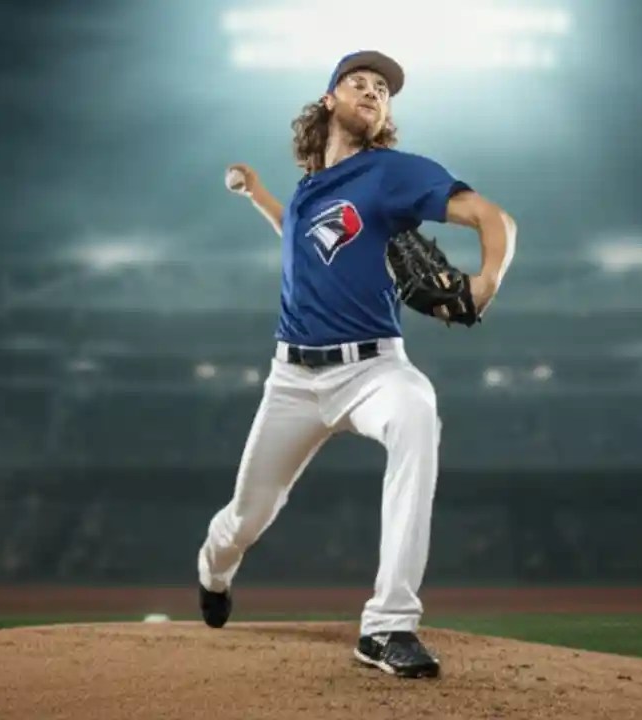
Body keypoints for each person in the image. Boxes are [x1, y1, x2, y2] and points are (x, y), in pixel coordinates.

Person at [196, 50, 517, 679]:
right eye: (358, 82)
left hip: (373, 370)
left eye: (383, 89)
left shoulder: (389, 174)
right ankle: (213, 568)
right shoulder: (311, 190)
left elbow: (492, 217)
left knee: (417, 409)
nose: (373, 92)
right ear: (329, 101)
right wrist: (257, 191)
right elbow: (296, 233)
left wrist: (485, 284)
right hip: (292, 381)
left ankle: (389, 625)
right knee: (246, 517)